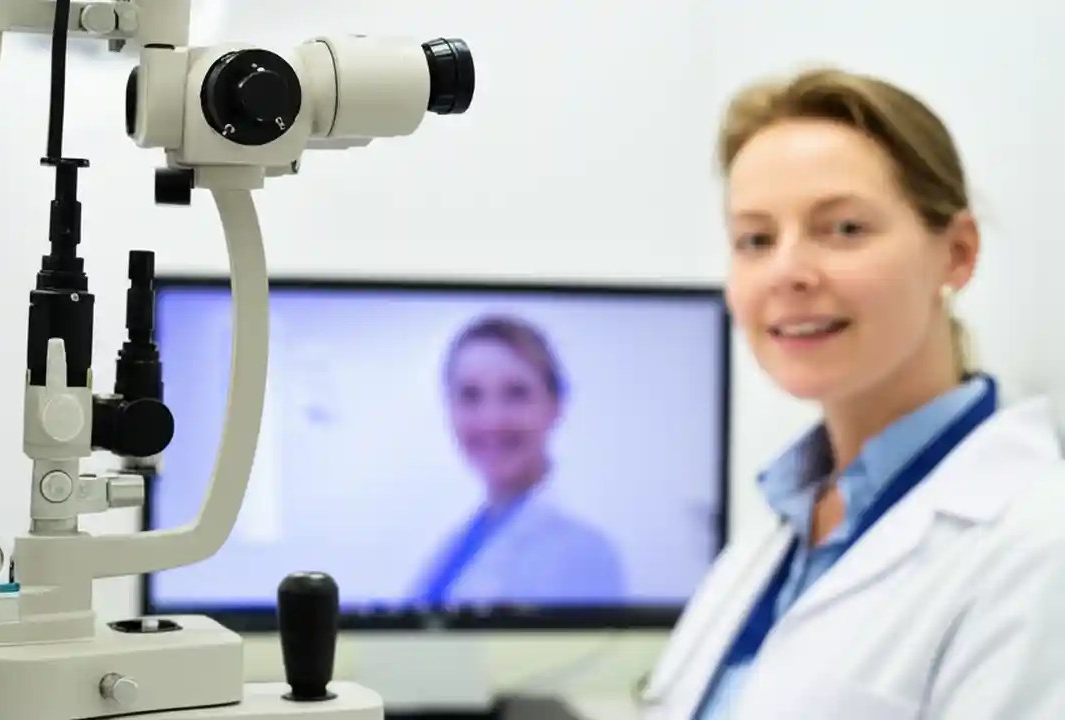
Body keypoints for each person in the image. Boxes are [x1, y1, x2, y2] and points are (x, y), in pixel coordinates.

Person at [638, 68, 1065, 719]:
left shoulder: (1036, 541)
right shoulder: (783, 523)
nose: (787, 272)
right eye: (755, 239)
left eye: (842, 229)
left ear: (956, 253)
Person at [409, 314, 625, 606]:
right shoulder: (470, 538)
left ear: (555, 405)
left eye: (516, 393)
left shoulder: (582, 553)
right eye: (471, 396)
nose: (492, 419)